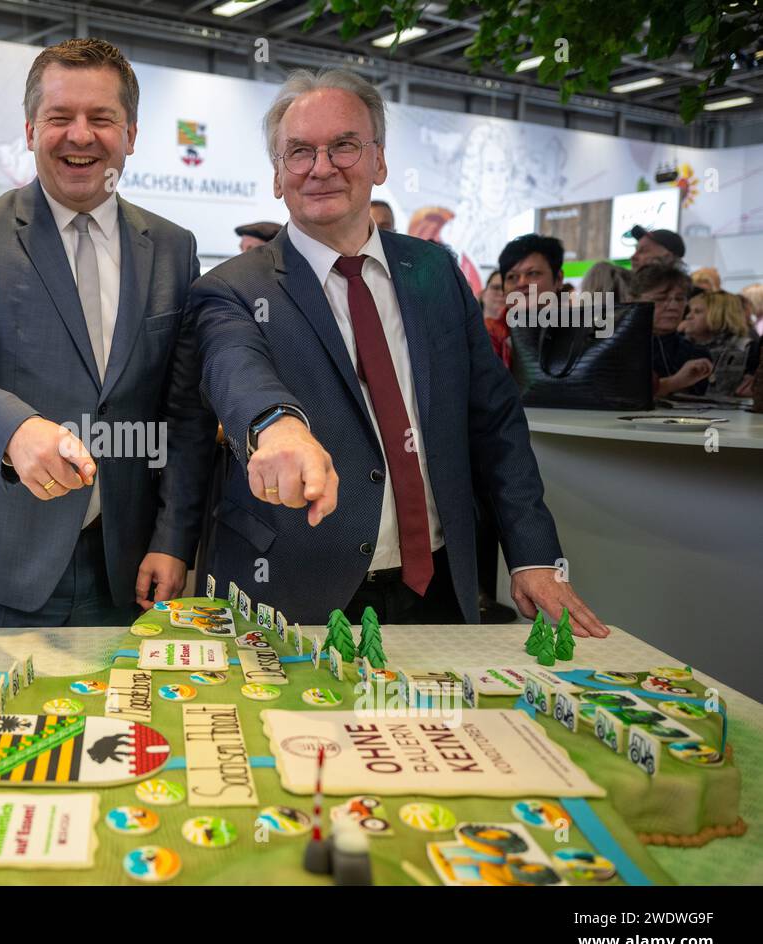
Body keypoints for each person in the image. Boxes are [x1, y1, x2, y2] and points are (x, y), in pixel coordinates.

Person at [189, 67, 607, 635]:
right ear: (277, 175)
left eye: (344, 146)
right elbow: (236, 371)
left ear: (380, 161)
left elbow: (494, 421)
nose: (322, 167)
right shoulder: (234, 286)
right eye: (300, 152)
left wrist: (533, 553)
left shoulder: (434, 271)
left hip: (440, 584)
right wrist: (277, 426)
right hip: (294, 590)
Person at [0, 38, 216, 627]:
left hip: (128, 571)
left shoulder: (173, 249)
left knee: (127, 721)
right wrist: (15, 430)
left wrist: (175, 538)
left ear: (131, 133)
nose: (80, 136)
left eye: (102, 118)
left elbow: (186, 412)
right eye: (59, 117)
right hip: (0, 564)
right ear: (29, 129)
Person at [484, 234, 566, 369]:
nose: (522, 283)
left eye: (533, 273)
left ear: (558, 279)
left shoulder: (583, 335)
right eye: (512, 277)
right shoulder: (487, 337)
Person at [630, 263, 712, 398]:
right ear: (633, 300)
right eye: (660, 299)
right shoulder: (614, 348)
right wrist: (673, 383)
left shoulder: (696, 354)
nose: (673, 306)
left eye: (680, 299)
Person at [681, 290, 758, 397]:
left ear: (720, 315)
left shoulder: (746, 348)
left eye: (697, 312)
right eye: (690, 311)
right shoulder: (681, 344)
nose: (688, 316)